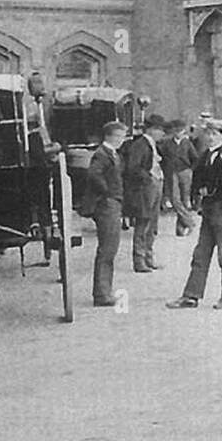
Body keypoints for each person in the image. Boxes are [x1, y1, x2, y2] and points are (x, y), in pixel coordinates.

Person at [167, 117, 222, 311]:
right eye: (208, 133)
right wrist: (196, 198)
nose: (210, 137)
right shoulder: (204, 157)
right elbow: (197, 181)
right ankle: (191, 296)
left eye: (215, 134)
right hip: (209, 210)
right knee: (201, 253)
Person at [81, 120, 127, 307]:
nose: (123, 140)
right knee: (107, 249)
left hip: (111, 204)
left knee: (110, 248)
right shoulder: (102, 154)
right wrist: (107, 193)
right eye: (121, 136)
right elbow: (93, 174)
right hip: (107, 205)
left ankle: (104, 291)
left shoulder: (110, 154)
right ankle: (101, 294)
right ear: (113, 136)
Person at [123, 114, 166, 272]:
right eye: (160, 130)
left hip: (155, 184)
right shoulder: (140, 145)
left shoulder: (151, 144)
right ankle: (139, 260)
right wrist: (147, 177)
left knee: (152, 223)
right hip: (145, 187)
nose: (162, 133)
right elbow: (132, 168)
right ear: (152, 129)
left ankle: (148, 257)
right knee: (143, 222)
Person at [159, 119, 197, 236]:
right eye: (176, 131)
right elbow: (161, 157)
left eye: (181, 131)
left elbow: (195, 158)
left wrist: (191, 170)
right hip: (172, 172)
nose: (178, 133)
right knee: (175, 199)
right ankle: (190, 222)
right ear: (173, 131)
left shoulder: (187, 143)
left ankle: (180, 229)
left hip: (185, 172)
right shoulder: (166, 144)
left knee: (185, 200)